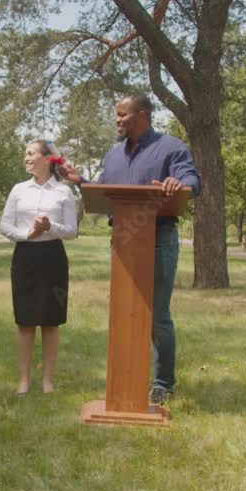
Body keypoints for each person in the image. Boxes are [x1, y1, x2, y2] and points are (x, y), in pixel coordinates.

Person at [60, 93, 201, 406]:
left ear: (142, 116)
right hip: (123, 241)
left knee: (156, 316)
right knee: (125, 312)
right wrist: (80, 181)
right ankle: (125, 378)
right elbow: (105, 193)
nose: (117, 120)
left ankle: (163, 383)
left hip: (159, 239)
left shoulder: (171, 148)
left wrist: (178, 184)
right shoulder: (113, 155)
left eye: (122, 115)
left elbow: (193, 179)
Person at [0, 140, 77, 395]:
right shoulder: (18, 190)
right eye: (25, 154)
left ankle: (47, 381)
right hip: (25, 257)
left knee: (51, 321)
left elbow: (72, 230)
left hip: (53, 258)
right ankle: (24, 380)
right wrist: (27, 234)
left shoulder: (64, 192)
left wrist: (49, 228)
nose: (26, 158)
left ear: (47, 159)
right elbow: (4, 226)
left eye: (31, 153)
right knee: (25, 321)